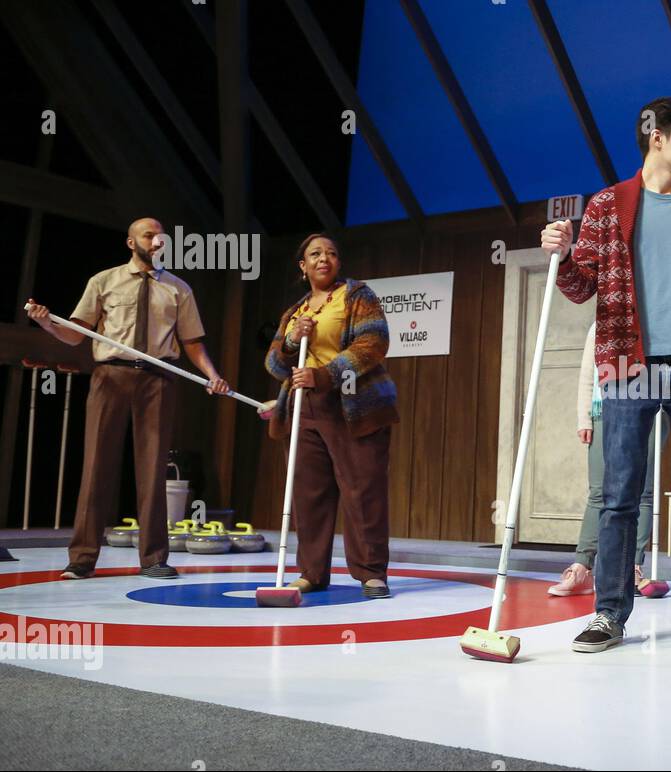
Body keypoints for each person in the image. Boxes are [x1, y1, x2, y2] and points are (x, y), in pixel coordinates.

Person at [540, 96, 671, 656]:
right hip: (628, 367)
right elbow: (580, 286)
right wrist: (556, 249)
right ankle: (609, 613)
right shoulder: (609, 205)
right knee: (619, 499)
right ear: (657, 138)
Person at [26, 217, 229, 580]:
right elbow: (76, 336)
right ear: (131, 242)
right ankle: (82, 558)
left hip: (158, 378)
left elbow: (193, 343)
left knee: (153, 470)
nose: (157, 242)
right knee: (96, 466)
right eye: (149, 236)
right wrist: (46, 323)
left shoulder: (178, 289)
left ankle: (153, 559)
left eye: (161, 237)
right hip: (111, 375)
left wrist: (212, 376)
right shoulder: (104, 281)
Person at [264, 234, 398, 599]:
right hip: (304, 407)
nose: (325, 258)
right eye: (315, 254)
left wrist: (323, 375)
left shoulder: (358, 296)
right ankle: (311, 571)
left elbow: (373, 344)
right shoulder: (295, 312)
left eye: (332, 253)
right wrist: (292, 341)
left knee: (362, 490)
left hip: (353, 403)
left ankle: (371, 572)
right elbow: (275, 364)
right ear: (302, 266)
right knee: (310, 494)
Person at [551, 322, 660, 597]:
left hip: (650, 406)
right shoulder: (601, 323)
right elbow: (588, 373)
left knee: (643, 492)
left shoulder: (658, 318)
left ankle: (632, 568)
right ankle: (583, 567)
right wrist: (583, 417)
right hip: (605, 411)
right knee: (599, 491)